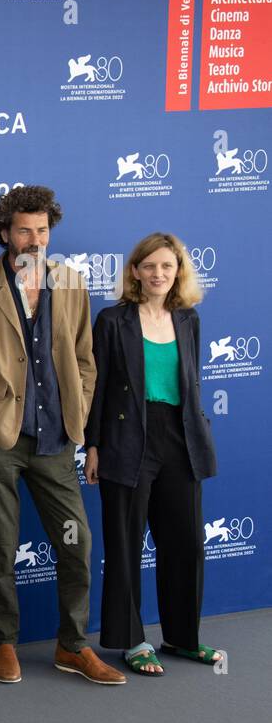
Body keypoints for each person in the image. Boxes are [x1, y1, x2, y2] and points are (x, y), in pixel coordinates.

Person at [0, 186, 125, 685]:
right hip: (2, 439)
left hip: (58, 439)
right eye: (24, 231)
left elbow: (84, 358)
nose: (34, 240)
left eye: (42, 230)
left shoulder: (72, 282)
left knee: (76, 543)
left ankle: (72, 644)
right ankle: (5, 643)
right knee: (1, 545)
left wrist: (77, 410)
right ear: (4, 233)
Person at [85, 233, 222, 676]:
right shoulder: (111, 320)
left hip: (181, 440)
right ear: (135, 271)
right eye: (150, 266)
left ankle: (182, 638)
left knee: (185, 543)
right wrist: (93, 445)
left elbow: (191, 382)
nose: (159, 274)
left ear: (179, 271)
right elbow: (98, 389)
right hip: (127, 439)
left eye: (168, 266)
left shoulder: (189, 319)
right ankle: (130, 642)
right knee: (124, 545)